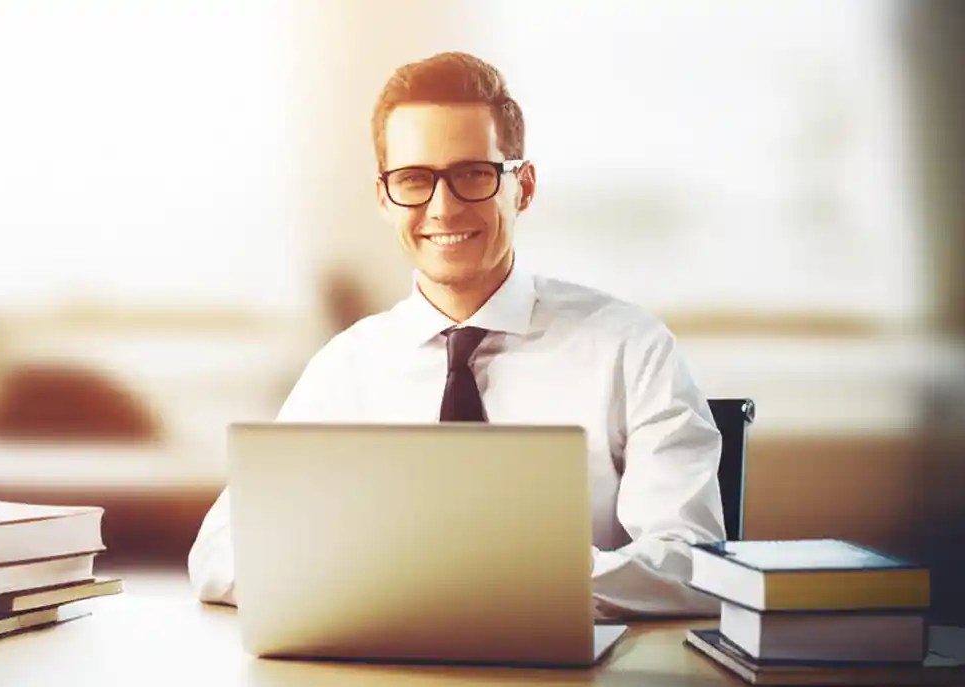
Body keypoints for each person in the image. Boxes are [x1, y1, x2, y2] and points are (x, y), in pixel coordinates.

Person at [188, 51, 724, 618]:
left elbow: (692, 563)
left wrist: (502, 584)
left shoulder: (630, 348)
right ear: (384, 198)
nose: (442, 208)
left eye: (473, 174)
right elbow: (221, 553)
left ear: (524, 187)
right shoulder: (346, 366)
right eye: (414, 179)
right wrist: (386, 582)